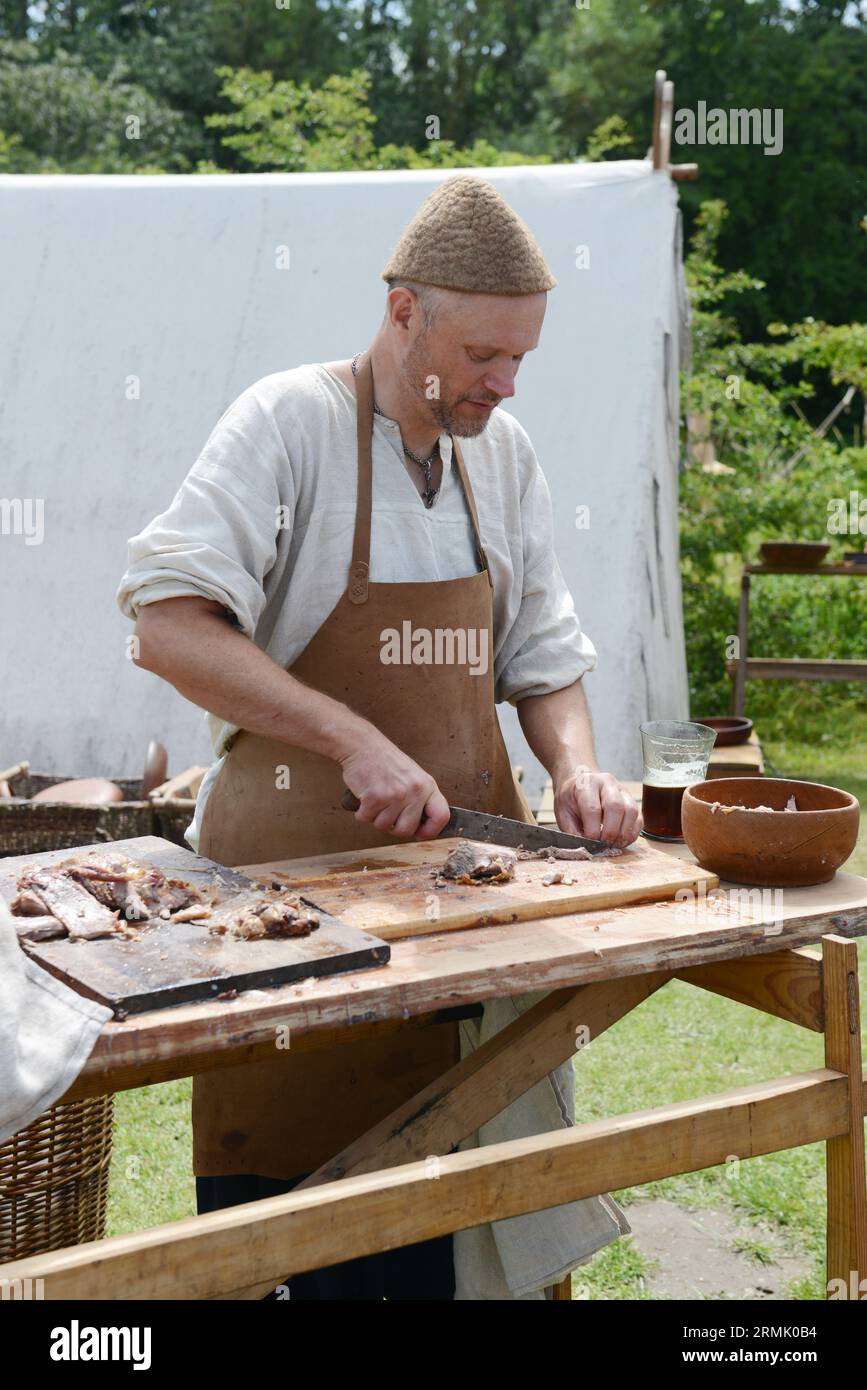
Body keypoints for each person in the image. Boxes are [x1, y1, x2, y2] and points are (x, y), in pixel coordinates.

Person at [117, 173, 642, 1299]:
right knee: (313, 1242)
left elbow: (545, 655)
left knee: (465, 1227)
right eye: (485, 356)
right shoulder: (289, 424)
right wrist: (347, 734)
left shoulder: (502, 455)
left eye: (522, 361)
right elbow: (166, 628)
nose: (505, 385)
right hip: (289, 929)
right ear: (403, 310)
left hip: (464, 917)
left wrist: (577, 766)